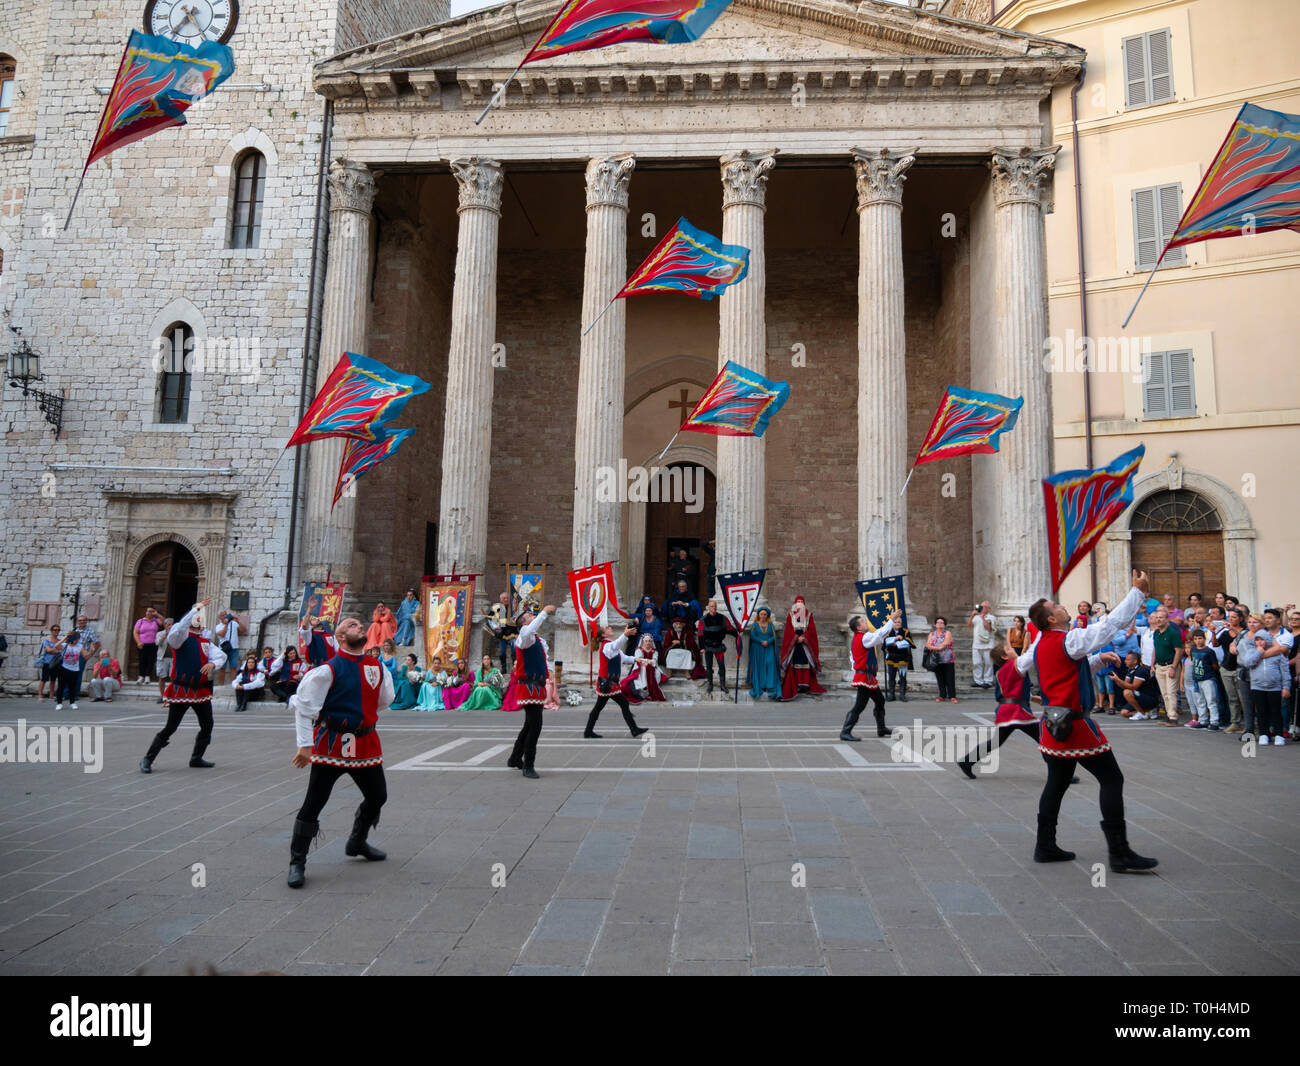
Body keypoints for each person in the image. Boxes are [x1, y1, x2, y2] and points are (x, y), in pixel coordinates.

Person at [1018, 570, 1157, 873]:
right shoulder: (1069, 639)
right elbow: (1110, 625)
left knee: (1057, 782)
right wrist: (1137, 593)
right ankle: (1119, 853)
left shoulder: (1043, 643)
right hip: (1075, 726)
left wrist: (1097, 660)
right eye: (1054, 606)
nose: (1061, 606)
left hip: (1053, 723)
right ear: (1051, 619)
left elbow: (1064, 674)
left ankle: (1045, 845)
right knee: (1111, 779)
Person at [287, 615, 393, 889]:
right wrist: (305, 745)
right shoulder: (327, 670)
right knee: (314, 802)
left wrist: (361, 720)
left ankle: (357, 841)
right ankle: (297, 861)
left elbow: (384, 700)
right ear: (341, 637)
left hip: (366, 742)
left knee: (378, 795)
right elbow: (304, 706)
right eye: (351, 625)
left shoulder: (377, 667)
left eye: (359, 624)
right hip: (331, 743)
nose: (359, 626)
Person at [139, 599, 227, 773]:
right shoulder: (179, 638)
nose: (198, 623)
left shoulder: (206, 642)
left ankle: (196, 757)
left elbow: (222, 656)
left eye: (200, 620)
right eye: (196, 620)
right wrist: (195, 608)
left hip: (200, 690)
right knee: (171, 727)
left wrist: (213, 664)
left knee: (207, 724)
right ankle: (147, 758)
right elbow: (179, 627)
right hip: (182, 690)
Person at [957, 642, 1041, 777]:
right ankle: (1060, 773)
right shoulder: (1016, 664)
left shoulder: (1002, 671)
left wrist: (1033, 698)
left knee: (996, 741)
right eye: (1009, 649)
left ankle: (967, 761)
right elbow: (1032, 654)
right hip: (1017, 711)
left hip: (1007, 711)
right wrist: (1041, 635)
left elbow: (1012, 691)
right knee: (1044, 739)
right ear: (1004, 657)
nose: (1013, 648)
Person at [506, 604, 557, 779]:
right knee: (535, 726)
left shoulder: (536, 640)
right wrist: (544, 612)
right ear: (523, 623)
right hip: (528, 686)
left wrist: (549, 672)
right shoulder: (524, 636)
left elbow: (543, 658)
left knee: (529, 725)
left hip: (536, 686)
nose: (532, 615)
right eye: (528, 615)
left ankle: (514, 758)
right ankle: (528, 765)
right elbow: (527, 632)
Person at [584, 621, 648, 739]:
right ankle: (634, 729)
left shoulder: (611, 645)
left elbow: (624, 658)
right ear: (603, 635)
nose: (611, 628)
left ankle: (588, 731)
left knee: (599, 707)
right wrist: (625, 635)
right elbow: (616, 646)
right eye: (608, 628)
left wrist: (636, 659)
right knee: (621, 703)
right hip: (607, 683)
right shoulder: (607, 646)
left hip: (610, 683)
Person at [838, 615, 893, 741]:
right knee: (860, 705)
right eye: (863, 621)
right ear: (858, 627)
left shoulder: (858, 638)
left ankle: (881, 728)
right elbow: (878, 634)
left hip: (866, 676)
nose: (865, 622)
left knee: (880, 700)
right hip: (864, 677)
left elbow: (877, 638)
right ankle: (845, 731)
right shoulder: (864, 637)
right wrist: (891, 620)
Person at [1237, 622, 1291, 745]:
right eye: (1257, 640)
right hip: (1257, 686)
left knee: (1276, 711)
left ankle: (1278, 734)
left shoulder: (1277, 653)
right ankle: (1264, 734)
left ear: (1267, 640)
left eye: (1262, 640)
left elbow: (1285, 671)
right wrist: (1258, 652)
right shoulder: (1252, 652)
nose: (1260, 642)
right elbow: (1248, 663)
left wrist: (1286, 687)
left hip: (1275, 687)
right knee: (1261, 711)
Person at [780, 595, 827, 700]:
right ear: (795, 603)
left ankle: (805, 685)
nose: (800, 603)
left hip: (805, 644)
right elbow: (788, 630)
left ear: (804, 603)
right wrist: (796, 638)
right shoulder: (791, 615)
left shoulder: (809, 615)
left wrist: (804, 638)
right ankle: (795, 684)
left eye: (801, 601)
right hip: (794, 644)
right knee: (794, 664)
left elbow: (812, 630)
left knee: (806, 664)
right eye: (798, 601)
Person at [1148, 608, 1183, 726]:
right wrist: (1152, 664)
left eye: (1161, 617)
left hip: (1170, 666)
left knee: (1171, 692)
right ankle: (1169, 715)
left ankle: (1173, 717)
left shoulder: (1173, 633)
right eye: (1157, 617)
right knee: (1164, 693)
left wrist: (1174, 667)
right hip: (1159, 666)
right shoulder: (1156, 633)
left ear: (1167, 619)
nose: (1158, 620)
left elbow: (1179, 651)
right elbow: (1155, 649)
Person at [1216, 610, 1247, 733]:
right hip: (1226, 667)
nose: (1231, 619)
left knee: (1243, 698)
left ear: (1240, 618)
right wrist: (1214, 632)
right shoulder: (1224, 633)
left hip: (1240, 668)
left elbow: (1241, 642)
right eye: (1230, 617)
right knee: (1232, 697)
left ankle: (1249, 724)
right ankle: (1235, 722)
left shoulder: (1245, 632)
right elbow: (1215, 643)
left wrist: (1232, 629)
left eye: (1234, 617)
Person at [1184, 630, 1222, 730]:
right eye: (1195, 639)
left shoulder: (1209, 651)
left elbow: (1214, 665)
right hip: (1197, 678)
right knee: (1200, 701)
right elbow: (1193, 661)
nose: (1198, 641)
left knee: (1211, 700)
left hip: (1208, 678)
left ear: (1204, 639)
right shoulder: (1193, 650)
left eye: (1200, 638)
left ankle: (1214, 721)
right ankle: (1203, 720)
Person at [698, 599, 733, 697]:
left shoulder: (722, 618)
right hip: (708, 647)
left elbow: (729, 628)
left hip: (718, 646)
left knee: (721, 666)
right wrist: (702, 647)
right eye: (712, 606)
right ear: (709, 607)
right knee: (709, 668)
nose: (713, 608)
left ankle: (722, 685)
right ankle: (710, 685)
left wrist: (738, 633)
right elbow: (700, 634)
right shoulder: (703, 620)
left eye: (715, 606)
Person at [1113, 650, 1160, 719]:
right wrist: (1116, 680)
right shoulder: (1130, 670)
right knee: (1124, 713)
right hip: (1138, 696)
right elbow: (1125, 685)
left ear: (1135, 661)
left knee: (1127, 692)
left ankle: (1143, 713)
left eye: (1127, 660)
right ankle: (1148, 712)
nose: (1125, 661)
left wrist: (1118, 680)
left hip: (1149, 698)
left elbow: (1134, 687)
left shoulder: (1141, 670)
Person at [621, 634, 668, 704]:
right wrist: (646, 661)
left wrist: (649, 662)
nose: (648, 643)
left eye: (649, 641)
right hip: (641, 666)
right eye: (646, 641)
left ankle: (650, 688)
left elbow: (655, 660)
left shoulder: (654, 651)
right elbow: (638, 659)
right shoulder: (639, 650)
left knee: (656, 672)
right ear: (643, 642)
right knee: (643, 670)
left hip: (651, 665)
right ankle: (643, 686)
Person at [747, 607, 781, 699]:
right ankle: (761, 685)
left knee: (770, 664)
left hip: (769, 648)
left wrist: (768, 642)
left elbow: (774, 636)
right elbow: (752, 636)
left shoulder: (771, 625)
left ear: (767, 616)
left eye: (765, 614)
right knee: (760, 666)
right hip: (758, 649)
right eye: (761, 614)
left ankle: (770, 686)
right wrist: (761, 641)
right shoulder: (755, 625)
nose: (763, 616)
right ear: (758, 615)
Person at [883, 611, 915, 703]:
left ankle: (902, 695)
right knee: (891, 677)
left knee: (903, 678)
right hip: (891, 658)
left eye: (899, 622)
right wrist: (894, 639)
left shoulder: (905, 631)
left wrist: (898, 643)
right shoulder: (888, 631)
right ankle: (891, 694)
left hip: (902, 658)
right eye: (896, 622)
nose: (897, 624)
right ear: (892, 623)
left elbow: (910, 643)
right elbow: (885, 643)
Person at [926, 618, 957, 703]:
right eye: (938, 622)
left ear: (944, 625)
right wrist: (937, 648)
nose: (940, 624)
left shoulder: (947, 633)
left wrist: (935, 647)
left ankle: (952, 696)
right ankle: (942, 695)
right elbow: (928, 644)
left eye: (942, 623)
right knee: (940, 678)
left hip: (948, 659)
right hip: (936, 659)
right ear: (935, 624)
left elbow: (946, 643)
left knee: (950, 678)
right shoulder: (932, 634)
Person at [54, 630, 87, 710]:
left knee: (72, 687)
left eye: (76, 638)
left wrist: (91, 651)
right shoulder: (65, 645)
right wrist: (66, 637)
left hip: (75, 669)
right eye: (74, 638)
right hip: (64, 668)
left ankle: (72, 703)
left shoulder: (79, 646)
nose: (75, 640)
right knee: (61, 686)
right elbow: (56, 646)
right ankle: (59, 703)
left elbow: (85, 655)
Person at [484, 592, 515, 674]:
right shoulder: (496, 607)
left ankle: (515, 668)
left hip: (513, 632)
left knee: (514, 650)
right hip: (502, 633)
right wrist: (495, 626)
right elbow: (490, 618)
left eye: (507, 598)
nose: (506, 599)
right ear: (500, 600)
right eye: (504, 598)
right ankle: (504, 668)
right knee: (502, 652)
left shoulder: (514, 607)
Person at [969, 601, 998, 688]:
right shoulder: (976, 617)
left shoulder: (992, 617)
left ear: (988, 608)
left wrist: (982, 618)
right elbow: (969, 625)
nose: (982, 608)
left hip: (988, 644)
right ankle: (978, 681)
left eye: (984, 607)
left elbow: (989, 628)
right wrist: (972, 615)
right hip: (976, 644)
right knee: (976, 663)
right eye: (981, 606)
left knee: (988, 663)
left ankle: (988, 681)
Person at [214, 609, 245, 685]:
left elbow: (243, 630)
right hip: (223, 649)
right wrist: (226, 625)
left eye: (225, 614)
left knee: (233, 667)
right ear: (219, 617)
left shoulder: (234, 623)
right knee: (222, 668)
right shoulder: (218, 626)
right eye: (222, 615)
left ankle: (232, 685)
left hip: (234, 648)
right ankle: (221, 685)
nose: (224, 616)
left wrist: (238, 621)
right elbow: (222, 634)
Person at [134, 607, 162, 684]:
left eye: (151, 611)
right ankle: (141, 676)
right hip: (142, 644)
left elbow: (164, 622)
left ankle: (147, 676)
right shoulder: (141, 621)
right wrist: (138, 642)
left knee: (151, 660)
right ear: (145, 612)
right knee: (142, 660)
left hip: (153, 644)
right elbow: (135, 632)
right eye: (148, 611)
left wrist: (157, 614)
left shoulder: (156, 621)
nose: (149, 613)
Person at [37, 624, 61, 700]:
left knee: (53, 680)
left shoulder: (59, 641)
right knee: (44, 679)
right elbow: (48, 650)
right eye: (55, 630)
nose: (56, 631)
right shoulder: (46, 640)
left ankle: (51, 695)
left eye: (58, 630)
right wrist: (56, 650)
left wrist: (54, 650)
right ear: (51, 631)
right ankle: (40, 694)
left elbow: (59, 650)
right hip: (47, 662)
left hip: (56, 663)